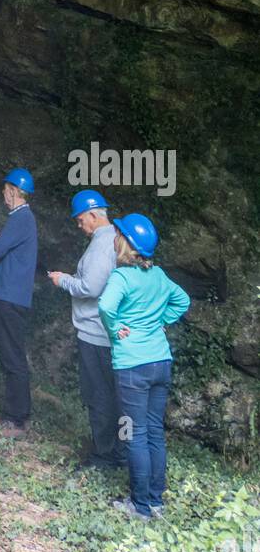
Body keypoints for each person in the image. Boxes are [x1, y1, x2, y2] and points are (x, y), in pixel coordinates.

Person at [98, 213, 190, 520]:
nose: (114, 236)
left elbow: (105, 306)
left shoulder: (121, 277)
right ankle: (155, 501)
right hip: (160, 363)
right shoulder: (160, 276)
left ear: (125, 243)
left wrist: (115, 328)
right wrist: (161, 321)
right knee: (154, 433)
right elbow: (183, 301)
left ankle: (140, 507)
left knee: (135, 434)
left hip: (133, 365)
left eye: (118, 233)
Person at [48, 190, 125, 470]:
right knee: (112, 394)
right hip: (107, 334)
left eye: (80, 220)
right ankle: (117, 451)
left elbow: (90, 287)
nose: (79, 226)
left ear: (94, 215)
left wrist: (63, 280)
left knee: (99, 396)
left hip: (96, 333)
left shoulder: (102, 244)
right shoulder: (115, 238)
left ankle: (104, 457)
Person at [0, 166, 37, 436]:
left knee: (13, 355)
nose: (3, 195)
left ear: (15, 192)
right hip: (12, 295)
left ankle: (16, 417)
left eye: (6, 190)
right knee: (12, 353)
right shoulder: (22, 218)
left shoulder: (20, 218)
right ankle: (18, 413)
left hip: (10, 295)